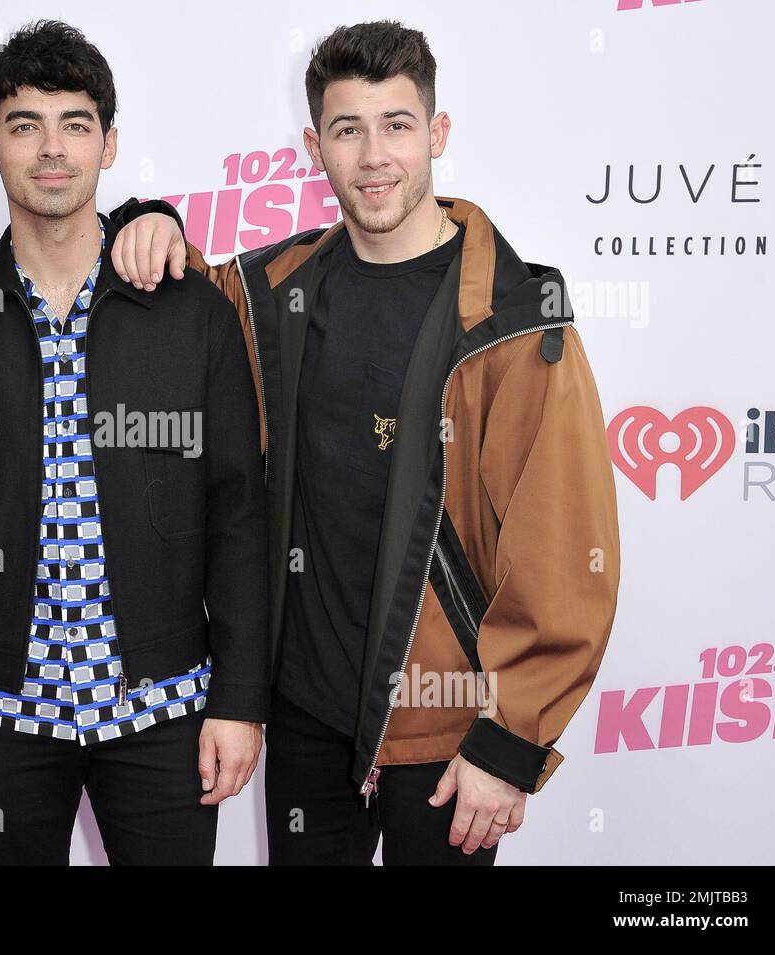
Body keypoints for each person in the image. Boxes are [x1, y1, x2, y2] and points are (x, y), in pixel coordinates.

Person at [110, 19, 620, 865]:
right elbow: (181, 280)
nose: (374, 155)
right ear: (315, 145)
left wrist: (508, 743)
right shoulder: (274, 293)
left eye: (397, 125)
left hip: (449, 733)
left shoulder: (515, 322)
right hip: (307, 717)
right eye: (348, 130)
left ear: (438, 133)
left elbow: (566, 555)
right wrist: (148, 216)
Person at [0, 20, 268, 865]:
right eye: (25, 125)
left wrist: (240, 700)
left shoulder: (191, 316)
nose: (51, 149)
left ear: (109, 142)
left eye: (75, 124)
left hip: (163, 714)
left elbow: (241, 517)